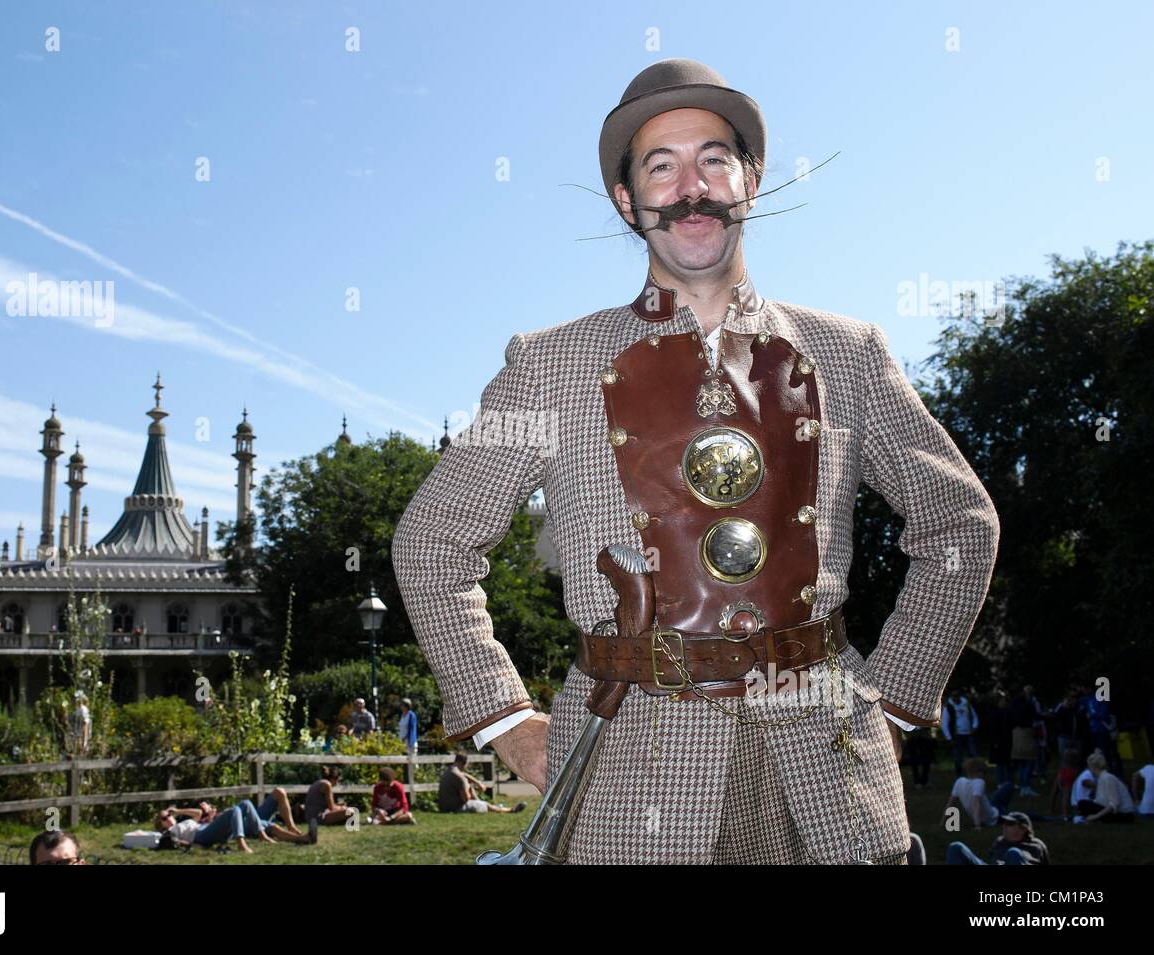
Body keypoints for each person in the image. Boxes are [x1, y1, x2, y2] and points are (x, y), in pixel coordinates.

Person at [392, 57, 999, 865]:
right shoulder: (549, 363)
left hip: (828, 763)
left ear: (748, 180)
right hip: (628, 770)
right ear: (627, 200)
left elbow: (960, 522)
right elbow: (432, 541)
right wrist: (503, 716)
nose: (692, 186)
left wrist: (891, 702)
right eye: (662, 165)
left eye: (715, 158)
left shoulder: (848, 354)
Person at [155, 799, 278, 853]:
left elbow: (199, 813)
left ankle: (262, 835)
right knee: (234, 810)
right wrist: (193, 845)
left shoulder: (182, 823)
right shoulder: (168, 832)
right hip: (200, 835)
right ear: (161, 824)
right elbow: (173, 841)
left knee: (246, 803)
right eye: (164, 818)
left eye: (169, 815)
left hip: (207, 828)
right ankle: (241, 844)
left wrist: (177, 811)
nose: (169, 818)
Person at [945, 811, 1050, 865]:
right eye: (1004, 823)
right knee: (956, 847)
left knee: (1013, 853)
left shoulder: (1037, 844)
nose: (1004, 826)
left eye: (1010, 823)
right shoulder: (1000, 841)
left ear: (1023, 829)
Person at [437, 753, 524, 814]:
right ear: (465, 763)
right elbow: (466, 799)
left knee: (474, 793)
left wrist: (478, 783)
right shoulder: (461, 778)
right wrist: (468, 786)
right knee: (485, 804)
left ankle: (483, 804)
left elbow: (464, 775)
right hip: (456, 809)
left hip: (444, 808)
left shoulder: (449, 771)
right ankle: (510, 810)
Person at [944, 757, 1013, 830]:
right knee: (1008, 786)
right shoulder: (979, 782)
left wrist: (942, 822)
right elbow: (976, 804)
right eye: (984, 772)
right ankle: (1004, 810)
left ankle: (1001, 807)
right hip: (995, 817)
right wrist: (977, 825)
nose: (984, 775)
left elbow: (950, 804)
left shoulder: (959, 781)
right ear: (979, 772)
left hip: (987, 811)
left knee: (994, 796)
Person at [1077, 752, 1136, 823]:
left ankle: (1096, 819)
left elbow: (1114, 803)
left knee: (1083, 804)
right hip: (1116, 812)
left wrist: (1095, 816)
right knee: (1083, 803)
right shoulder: (1101, 778)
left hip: (1125, 815)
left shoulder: (1108, 778)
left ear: (1093, 766)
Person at [303, 766, 356, 837]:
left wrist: (339, 806)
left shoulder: (318, 782)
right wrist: (342, 807)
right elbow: (332, 808)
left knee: (345, 810)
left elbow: (325, 804)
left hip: (309, 816)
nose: (337, 783)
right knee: (351, 811)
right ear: (334, 778)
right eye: (338, 780)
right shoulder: (327, 785)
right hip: (318, 817)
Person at [1009, 685, 1040, 795]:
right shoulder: (1028, 704)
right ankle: (1025, 786)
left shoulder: (1015, 703)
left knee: (1022, 761)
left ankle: (1022, 785)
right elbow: (1036, 715)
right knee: (1029, 761)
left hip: (1017, 732)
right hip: (1026, 732)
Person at [941, 691, 980, 776]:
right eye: (954, 697)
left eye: (957, 697)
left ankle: (974, 773)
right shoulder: (948, 707)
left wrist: (974, 726)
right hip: (957, 736)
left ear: (959, 697)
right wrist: (949, 737)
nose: (956, 698)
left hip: (968, 734)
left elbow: (974, 717)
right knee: (958, 758)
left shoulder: (967, 704)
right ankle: (959, 776)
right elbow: (944, 723)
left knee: (973, 755)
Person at [1049, 748, 1082, 819]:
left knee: (1059, 793)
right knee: (1067, 795)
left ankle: (1054, 809)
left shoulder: (1063, 766)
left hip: (1063, 773)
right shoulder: (1075, 768)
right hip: (1069, 774)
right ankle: (1066, 814)